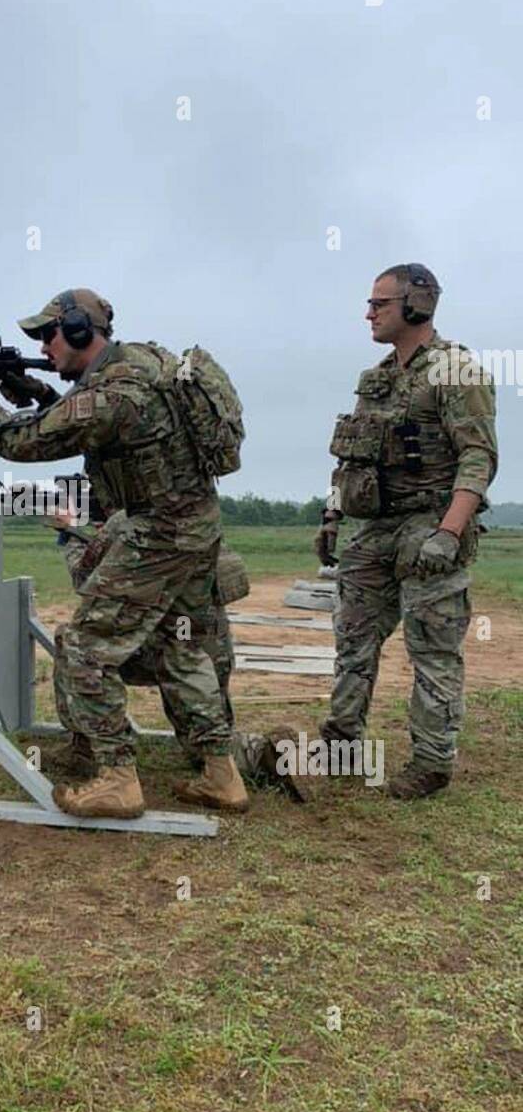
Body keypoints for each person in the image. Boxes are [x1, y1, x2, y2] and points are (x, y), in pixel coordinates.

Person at [0, 288, 248, 819]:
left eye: (48, 335)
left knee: (85, 645)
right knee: (181, 645)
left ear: (80, 330)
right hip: (196, 526)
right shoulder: (146, 362)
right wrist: (33, 390)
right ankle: (220, 772)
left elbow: (22, 443)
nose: (43, 346)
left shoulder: (114, 394)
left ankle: (118, 777)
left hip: (159, 532)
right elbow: (93, 422)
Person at [315, 264, 497, 799]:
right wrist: (333, 514)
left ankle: (432, 762)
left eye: (380, 304)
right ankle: (342, 746)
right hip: (373, 529)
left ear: (416, 305)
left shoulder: (455, 372)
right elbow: (350, 453)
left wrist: (449, 532)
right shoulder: (378, 377)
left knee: (433, 649)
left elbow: (478, 457)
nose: (368, 313)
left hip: (430, 525)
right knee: (352, 639)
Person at [53, 504, 307, 802]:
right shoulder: (201, 520)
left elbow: (86, 579)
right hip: (206, 660)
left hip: (164, 655)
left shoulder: (133, 522)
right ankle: (258, 753)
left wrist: (68, 533)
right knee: (201, 747)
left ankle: (84, 746)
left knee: (73, 643)